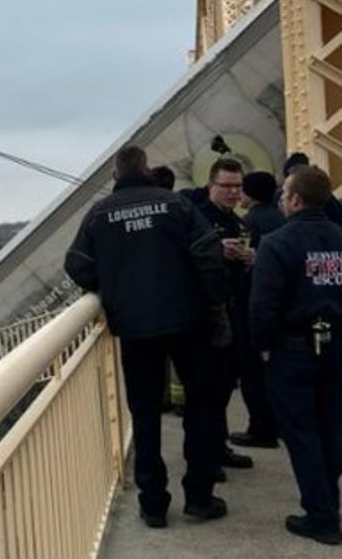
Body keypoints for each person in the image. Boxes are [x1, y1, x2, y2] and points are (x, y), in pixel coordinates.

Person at [65, 145, 229, 526]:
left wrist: (113, 287)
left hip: (134, 328)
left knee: (145, 413)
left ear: (115, 175)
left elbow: (77, 264)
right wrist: (215, 302)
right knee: (201, 407)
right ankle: (199, 496)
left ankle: (153, 504)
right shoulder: (176, 204)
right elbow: (208, 256)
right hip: (188, 322)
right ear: (148, 169)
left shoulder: (100, 213)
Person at [250, 165, 342, 545]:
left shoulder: (275, 244)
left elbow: (263, 306)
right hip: (338, 347)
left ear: (295, 200)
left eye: (285, 194)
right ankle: (329, 501)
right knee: (333, 428)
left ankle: (321, 516)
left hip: (293, 350)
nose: (282, 200)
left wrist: (262, 347)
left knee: (301, 433)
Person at [187, 158, 256, 471]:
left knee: (224, 385)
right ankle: (206, 458)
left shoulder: (238, 222)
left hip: (234, 310)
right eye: (226, 186)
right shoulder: (197, 218)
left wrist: (252, 258)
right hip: (207, 316)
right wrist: (216, 248)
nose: (233, 192)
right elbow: (184, 258)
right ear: (210, 186)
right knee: (206, 391)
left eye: (238, 186)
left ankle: (219, 446)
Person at [223, 171, 281, 449]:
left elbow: (242, 260)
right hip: (281, 308)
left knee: (252, 373)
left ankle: (260, 429)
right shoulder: (282, 217)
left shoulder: (247, 223)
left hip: (251, 305)